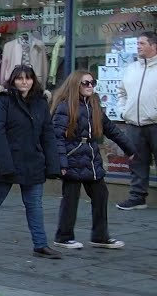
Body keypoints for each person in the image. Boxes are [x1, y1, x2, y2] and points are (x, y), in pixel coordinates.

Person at [0, 64, 61, 259]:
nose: (24, 82)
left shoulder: (40, 102)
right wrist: (6, 165)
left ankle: (40, 244)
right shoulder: (2, 101)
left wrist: (53, 165)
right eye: (20, 78)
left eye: (28, 78)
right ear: (13, 80)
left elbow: (47, 134)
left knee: (34, 204)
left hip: (32, 161)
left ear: (33, 80)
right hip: (6, 160)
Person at [51, 70, 134, 249]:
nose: (90, 86)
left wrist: (130, 150)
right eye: (85, 83)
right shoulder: (65, 106)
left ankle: (100, 236)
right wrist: (62, 163)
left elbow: (110, 129)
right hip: (72, 155)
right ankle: (63, 237)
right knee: (70, 198)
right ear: (76, 85)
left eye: (92, 82)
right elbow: (56, 137)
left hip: (90, 157)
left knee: (101, 195)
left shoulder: (94, 104)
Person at [115, 31, 157, 210]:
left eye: (142, 43)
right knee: (137, 162)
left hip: (155, 123)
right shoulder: (131, 68)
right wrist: (123, 111)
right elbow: (121, 93)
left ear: (154, 46)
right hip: (134, 124)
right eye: (138, 43)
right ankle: (137, 197)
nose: (138, 46)